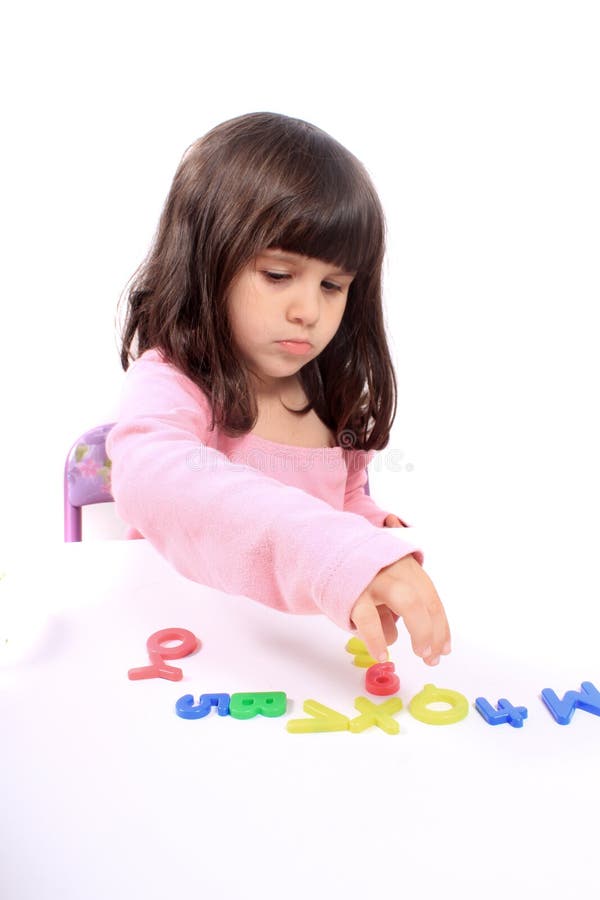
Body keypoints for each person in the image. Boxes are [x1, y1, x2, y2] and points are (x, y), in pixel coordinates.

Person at [107, 111, 451, 667]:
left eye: (333, 285)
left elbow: (340, 499)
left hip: (297, 656)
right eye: (277, 275)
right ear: (205, 261)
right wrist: (335, 550)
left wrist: (369, 531)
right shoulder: (173, 382)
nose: (309, 311)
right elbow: (152, 478)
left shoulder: (326, 390)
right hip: (188, 652)